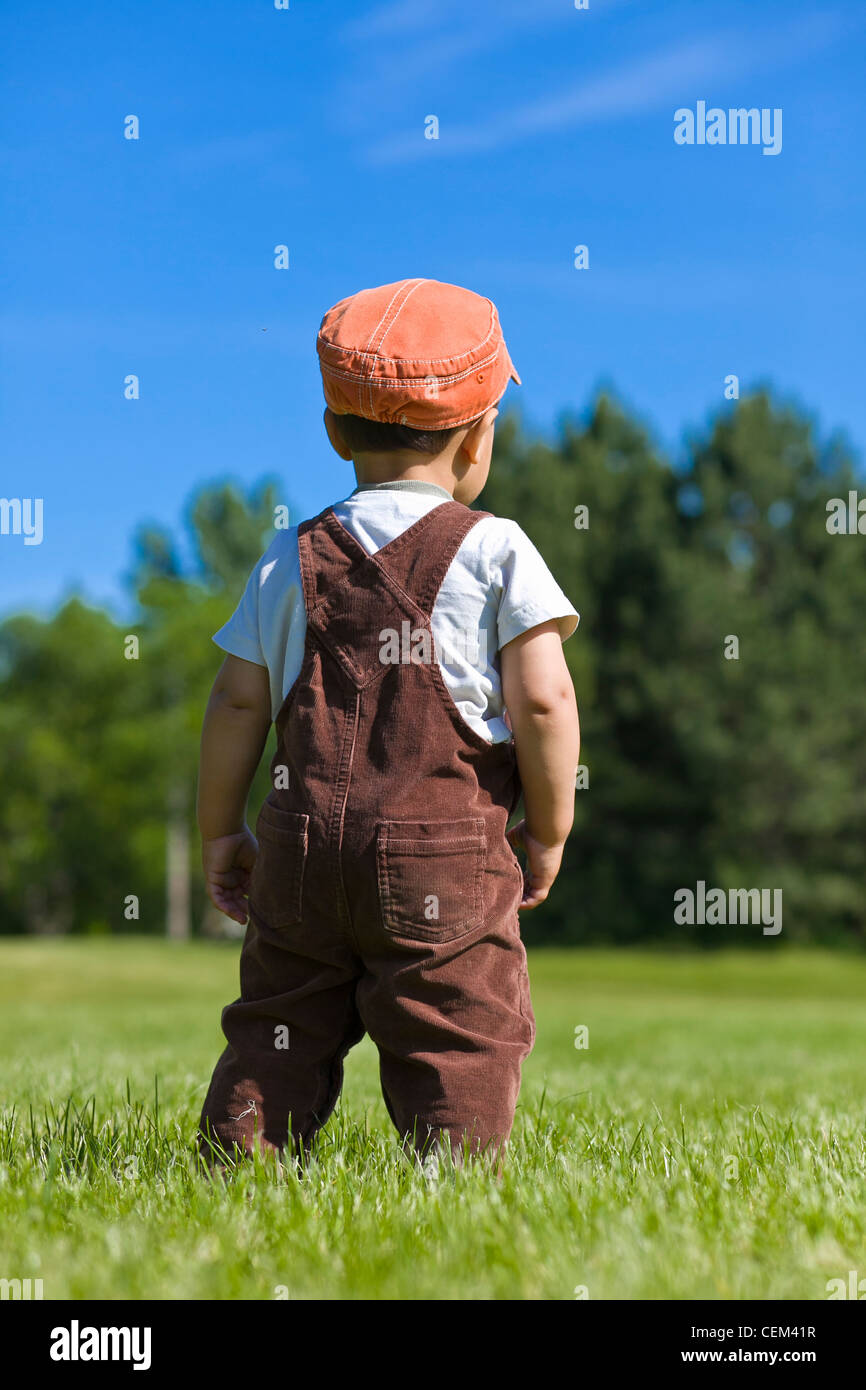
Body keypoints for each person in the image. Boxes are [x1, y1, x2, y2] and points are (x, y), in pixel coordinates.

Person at [197, 277, 580, 1171]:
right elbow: (545, 701)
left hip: (299, 852)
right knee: (459, 1023)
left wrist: (224, 829)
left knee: (281, 1015)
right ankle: (452, 1172)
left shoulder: (288, 557)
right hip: (441, 853)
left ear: (335, 430)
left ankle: (240, 1153)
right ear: (480, 436)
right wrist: (552, 828)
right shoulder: (495, 549)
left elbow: (236, 702)